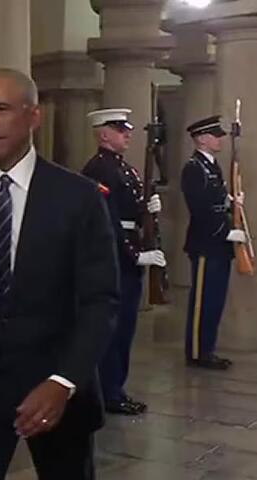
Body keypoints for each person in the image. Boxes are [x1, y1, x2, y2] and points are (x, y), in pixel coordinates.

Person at [0, 68, 119, 479]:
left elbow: (100, 300)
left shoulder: (78, 197)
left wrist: (63, 381)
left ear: (33, 116)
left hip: (55, 385)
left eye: (1, 109)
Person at [81, 108, 164, 416]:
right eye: (120, 129)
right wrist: (133, 253)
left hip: (128, 253)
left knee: (126, 327)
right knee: (114, 329)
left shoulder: (124, 169)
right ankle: (109, 392)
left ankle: (116, 387)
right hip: (115, 255)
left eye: (127, 129)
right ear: (103, 134)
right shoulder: (99, 169)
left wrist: (148, 206)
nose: (127, 133)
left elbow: (129, 210)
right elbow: (106, 221)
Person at [180, 115, 248, 370]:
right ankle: (197, 352)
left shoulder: (212, 165)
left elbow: (217, 201)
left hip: (218, 245)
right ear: (201, 139)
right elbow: (200, 209)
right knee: (202, 302)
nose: (220, 139)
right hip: (206, 243)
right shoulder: (194, 168)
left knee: (215, 300)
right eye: (215, 135)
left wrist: (232, 202)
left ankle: (207, 348)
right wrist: (224, 232)